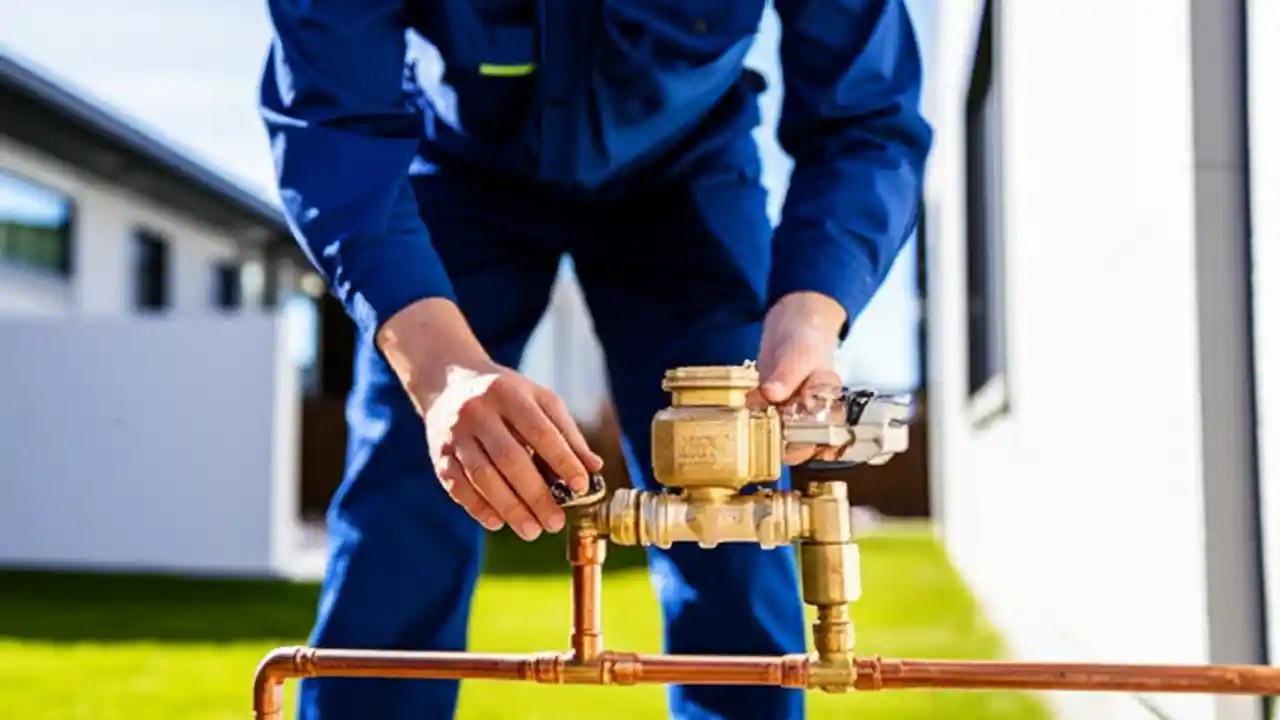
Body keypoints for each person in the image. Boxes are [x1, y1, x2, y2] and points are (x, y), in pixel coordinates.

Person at [258, 1, 931, 718]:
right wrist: (442, 371)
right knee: (406, 495)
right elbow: (332, 119)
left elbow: (865, 115)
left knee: (734, 509)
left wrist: (809, 316)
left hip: (688, 181)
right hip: (461, 174)